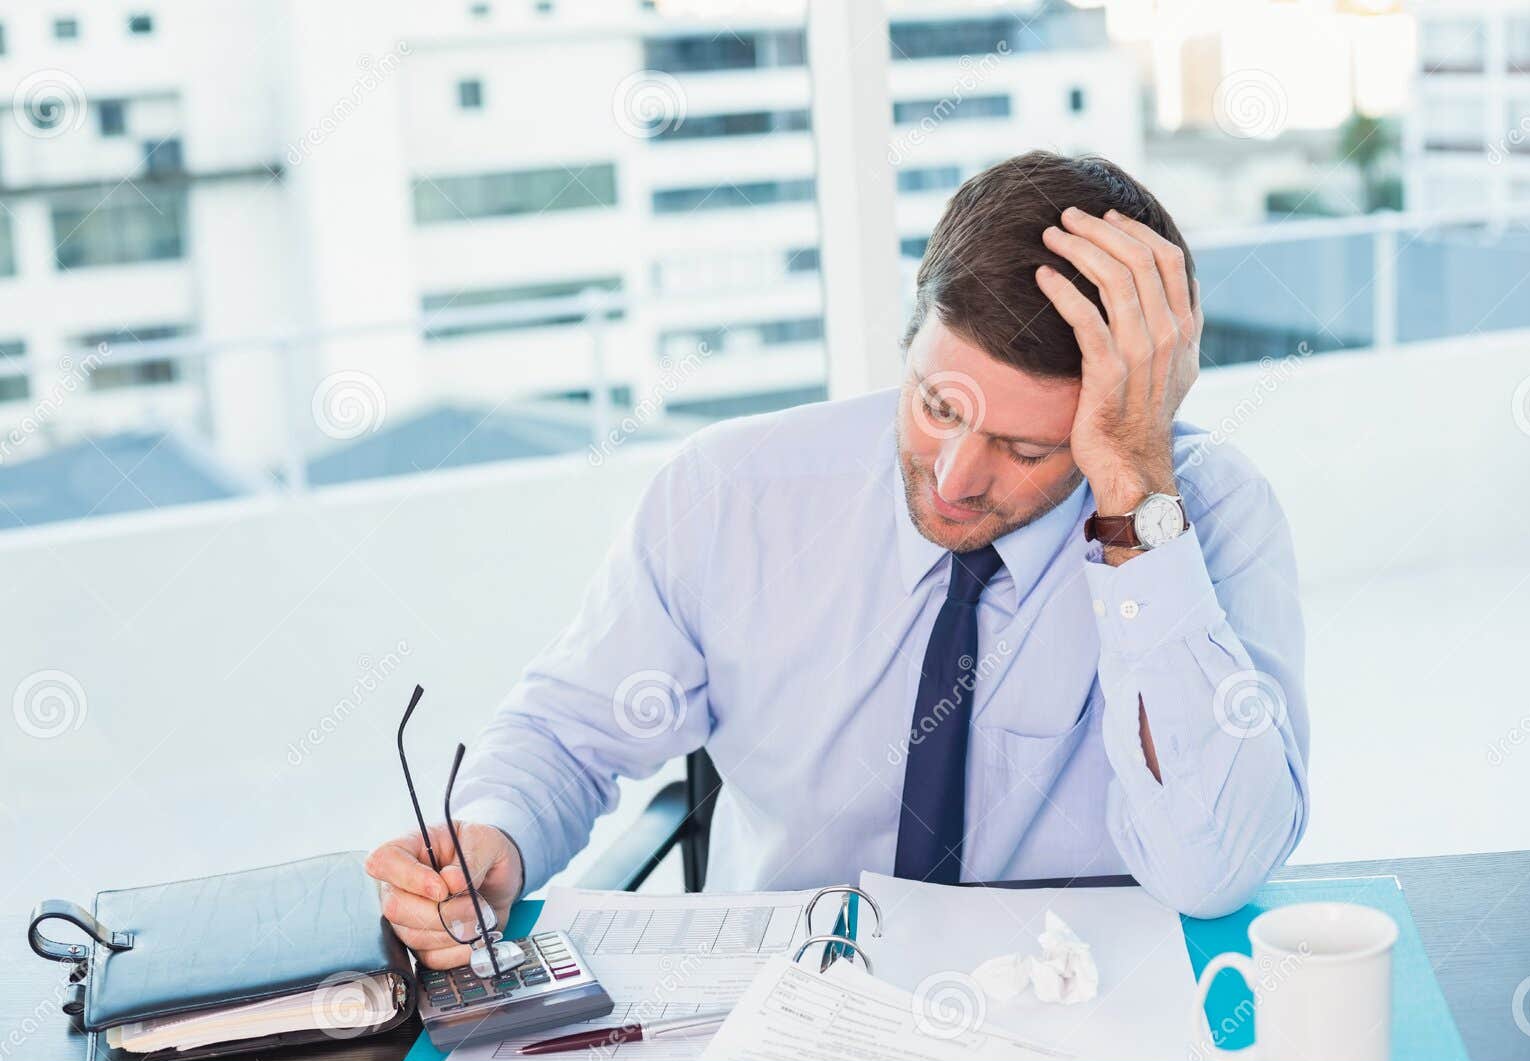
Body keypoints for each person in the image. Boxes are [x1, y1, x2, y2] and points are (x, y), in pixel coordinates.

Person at [366, 151, 1309, 967]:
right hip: (786, 1017)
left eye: (1028, 452)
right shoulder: (732, 494)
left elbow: (1214, 867)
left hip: (1070, 1010)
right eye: (937, 406)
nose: (954, 476)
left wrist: (1137, 503)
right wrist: (495, 831)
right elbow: (567, 734)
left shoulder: (1205, 515)